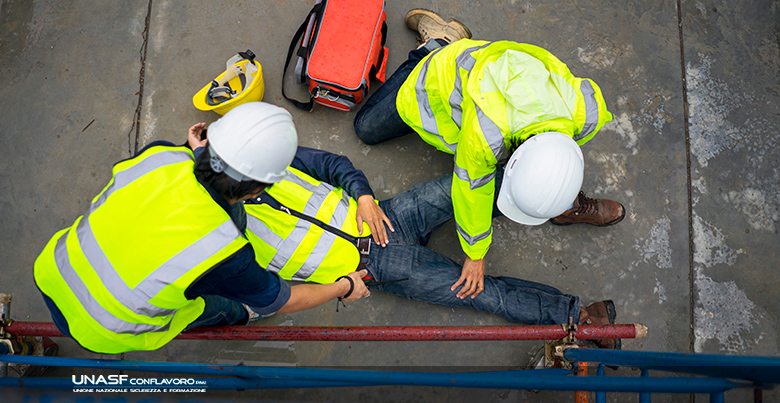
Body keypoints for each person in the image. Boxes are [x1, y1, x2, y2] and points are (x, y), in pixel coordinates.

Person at [33, 102, 369, 354]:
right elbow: (284, 300)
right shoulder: (225, 250)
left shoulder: (161, 154)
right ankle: (241, 314)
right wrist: (343, 287)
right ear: (257, 191)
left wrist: (197, 154)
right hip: (103, 327)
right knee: (217, 303)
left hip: (54, 268)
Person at [353, 9, 625, 302]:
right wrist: (475, 253)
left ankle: (565, 205)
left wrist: (557, 186)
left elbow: (560, 157)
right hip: (436, 81)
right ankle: (437, 43)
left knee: (539, 178)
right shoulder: (484, 136)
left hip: (491, 79)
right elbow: (471, 190)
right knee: (366, 128)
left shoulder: (586, 111)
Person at [240, 146, 621, 349]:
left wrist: (365, 197)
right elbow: (272, 298)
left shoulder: (252, 158)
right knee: (481, 293)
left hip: (385, 215)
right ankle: (580, 317)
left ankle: (558, 202)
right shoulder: (222, 246)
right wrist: (343, 287)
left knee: (472, 185)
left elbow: (330, 164)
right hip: (375, 268)